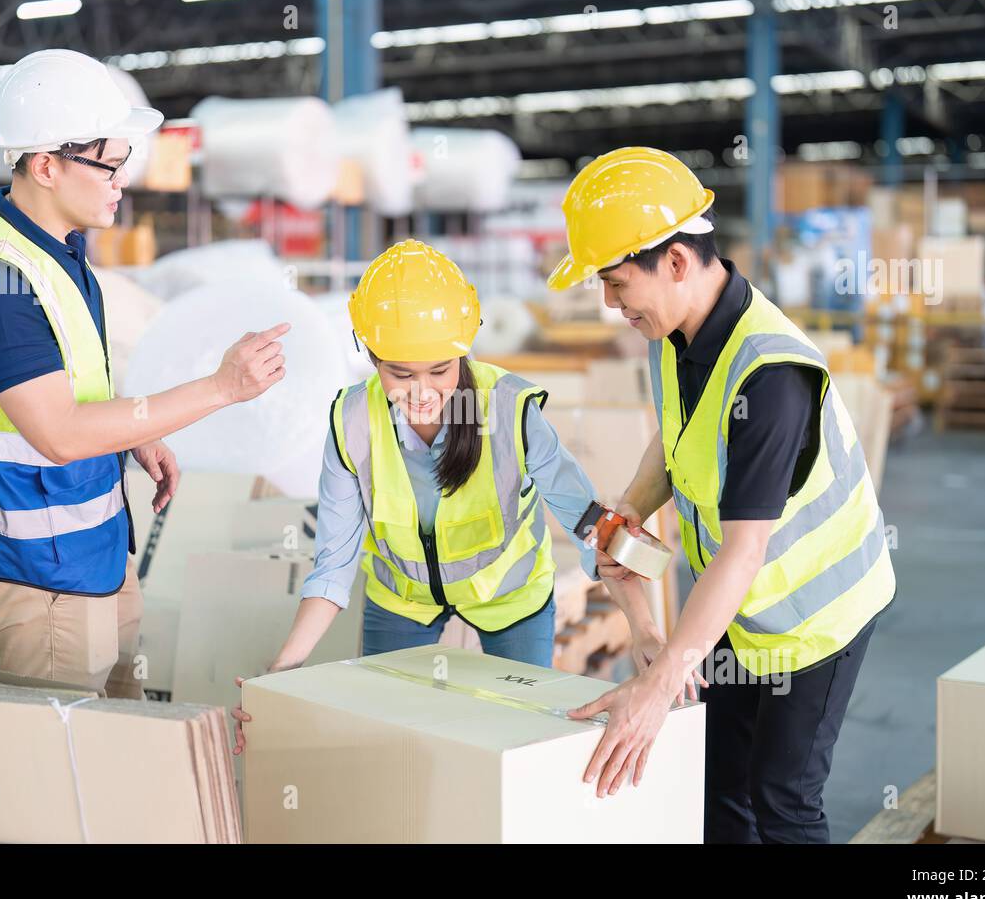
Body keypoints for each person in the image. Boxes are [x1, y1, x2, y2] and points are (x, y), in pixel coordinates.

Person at [231, 239, 696, 753]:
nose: (423, 393)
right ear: (370, 356)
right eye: (400, 374)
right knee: (388, 739)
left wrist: (644, 627)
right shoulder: (351, 422)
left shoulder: (510, 411)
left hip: (509, 598)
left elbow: (591, 526)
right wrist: (283, 671)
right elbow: (333, 567)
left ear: (463, 352)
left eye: (440, 371)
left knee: (521, 737)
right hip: (401, 601)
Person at [553, 147, 896, 841]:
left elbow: (744, 552)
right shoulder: (676, 330)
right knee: (720, 787)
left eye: (618, 284)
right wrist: (631, 509)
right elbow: (679, 441)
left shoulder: (770, 375)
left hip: (817, 618)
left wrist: (658, 681)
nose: (611, 304)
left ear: (676, 262)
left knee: (784, 800)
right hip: (742, 611)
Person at [0, 49, 288, 697]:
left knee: (122, 727)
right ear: (45, 164)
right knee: (68, 763)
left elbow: (73, 384)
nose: (121, 183)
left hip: (89, 552)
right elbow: (60, 433)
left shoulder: (57, 253)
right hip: (38, 573)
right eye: (110, 166)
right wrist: (221, 388)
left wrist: (134, 430)